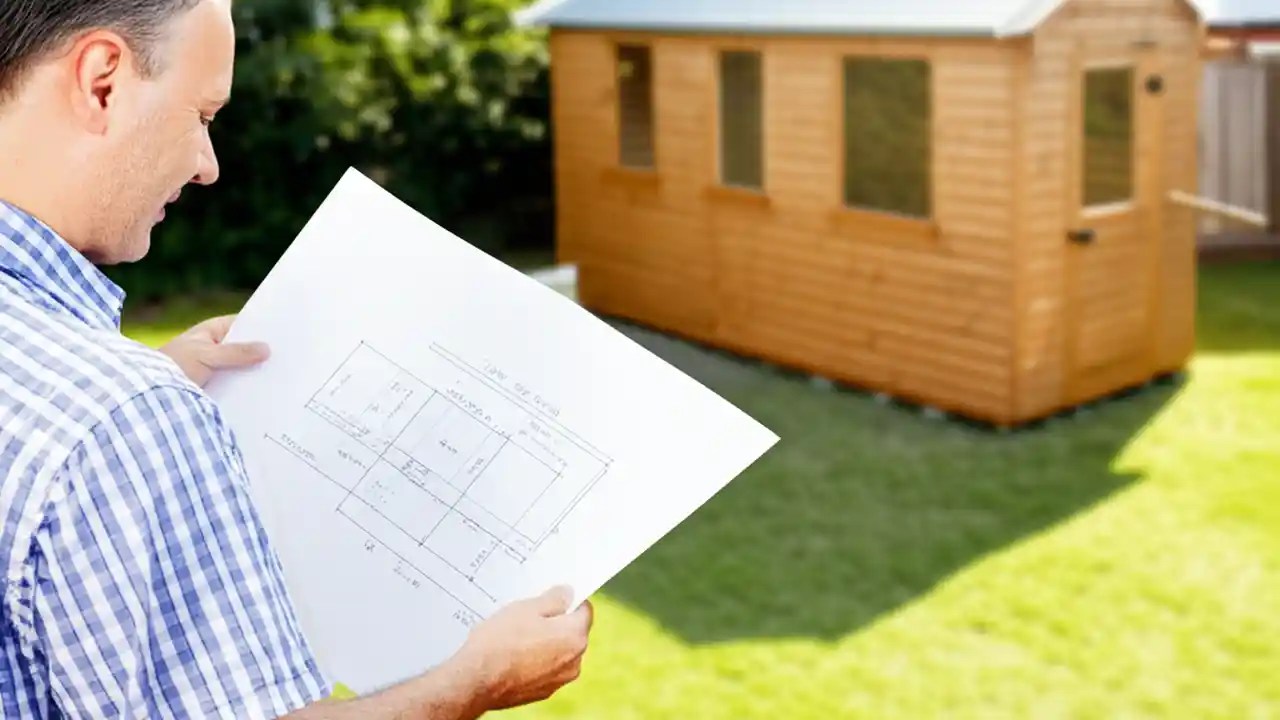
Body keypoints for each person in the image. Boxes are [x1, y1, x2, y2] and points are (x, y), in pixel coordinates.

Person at [0, 0, 593, 717]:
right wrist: (471, 684)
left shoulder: (75, 390)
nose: (207, 166)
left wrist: (142, 380)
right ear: (103, 81)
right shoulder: (124, 420)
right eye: (203, 116)